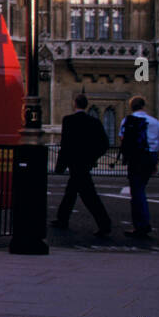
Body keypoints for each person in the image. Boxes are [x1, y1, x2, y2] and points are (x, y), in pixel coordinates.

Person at [50, 94, 111, 237]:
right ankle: (62, 219)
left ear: (74, 104)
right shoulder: (94, 122)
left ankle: (104, 224)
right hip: (85, 163)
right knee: (72, 192)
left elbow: (65, 144)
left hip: (74, 162)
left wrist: (60, 165)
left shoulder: (69, 120)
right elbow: (104, 144)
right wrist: (92, 157)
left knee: (88, 196)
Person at [118, 95, 159, 237]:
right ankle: (141, 224)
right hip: (150, 157)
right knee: (140, 189)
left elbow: (122, 139)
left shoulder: (127, 120)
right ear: (144, 106)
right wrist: (156, 163)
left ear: (131, 107)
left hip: (136, 158)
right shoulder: (155, 122)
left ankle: (141, 225)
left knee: (137, 192)